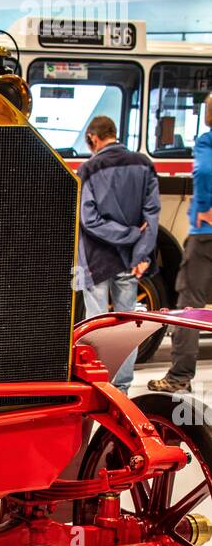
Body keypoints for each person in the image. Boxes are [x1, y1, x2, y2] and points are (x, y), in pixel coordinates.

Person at [78, 115, 161, 393]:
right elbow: (152, 215)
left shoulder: (89, 168)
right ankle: (122, 389)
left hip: (95, 261)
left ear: (93, 138)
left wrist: (128, 235)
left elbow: (89, 220)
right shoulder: (144, 164)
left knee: (97, 328)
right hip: (128, 261)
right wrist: (140, 253)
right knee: (127, 329)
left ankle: (99, 386)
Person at [149, 91, 212, 393]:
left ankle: (179, 376)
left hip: (205, 234)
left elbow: (203, 175)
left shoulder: (206, 142)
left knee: (189, 307)